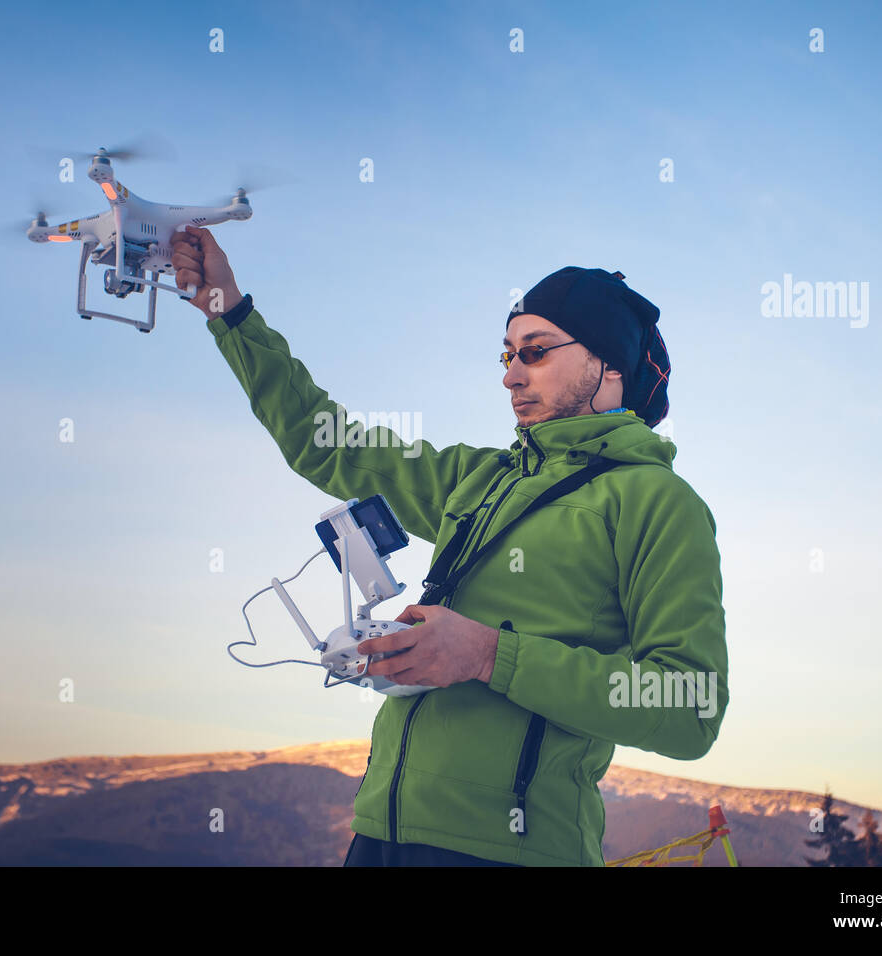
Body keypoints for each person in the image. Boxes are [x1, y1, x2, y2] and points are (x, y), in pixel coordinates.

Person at [170, 224, 729, 867]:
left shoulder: (657, 503)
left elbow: (691, 705)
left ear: (609, 368)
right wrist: (230, 313)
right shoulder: (480, 479)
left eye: (537, 351)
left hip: (513, 852)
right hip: (379, 832)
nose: (512, 375)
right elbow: (324, 443)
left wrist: (490, 655)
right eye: (508, 354)